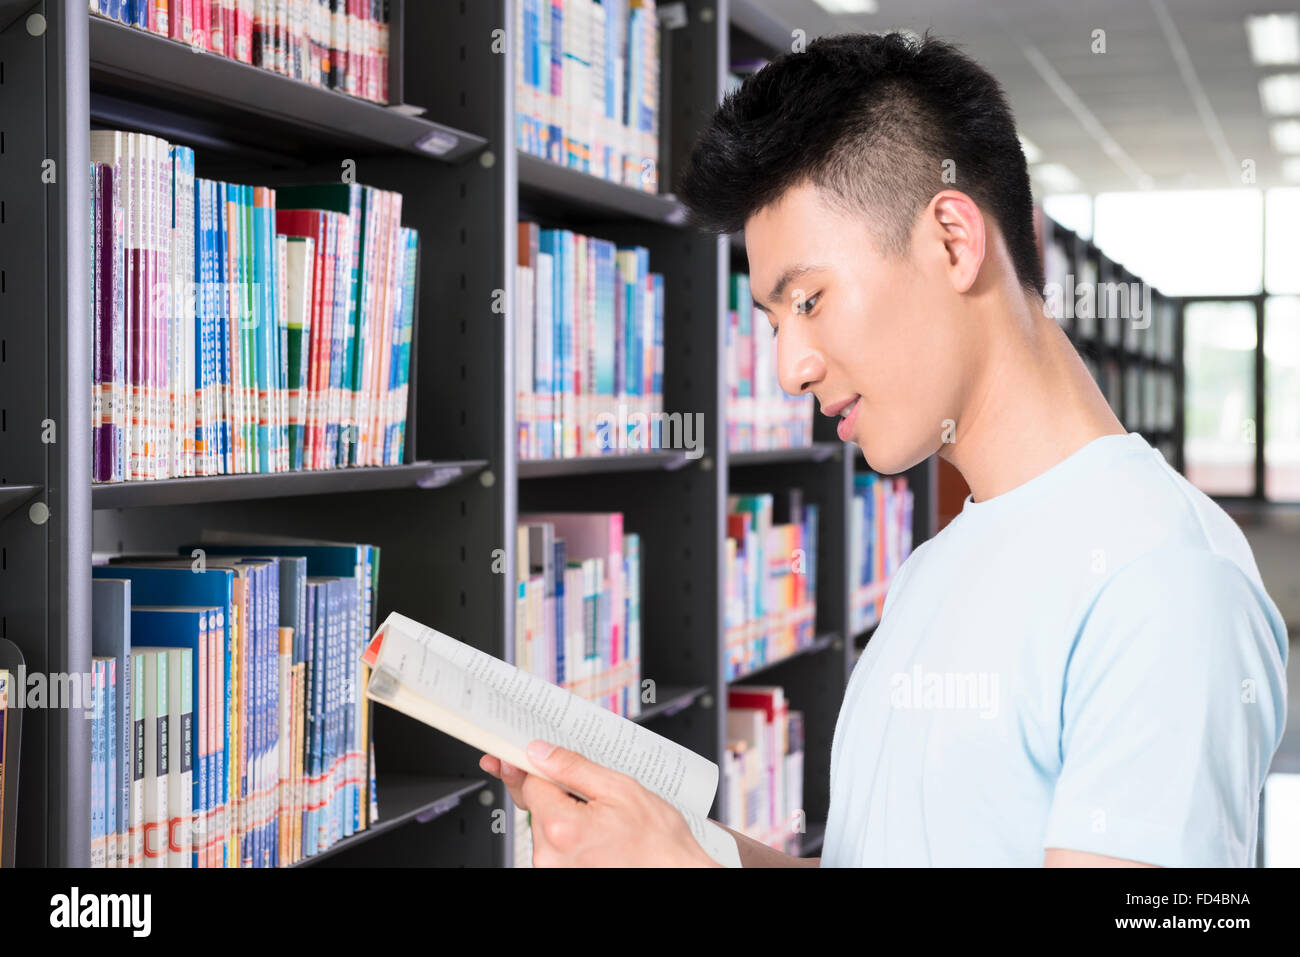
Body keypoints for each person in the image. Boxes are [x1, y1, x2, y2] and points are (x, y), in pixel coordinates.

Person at [480, 31, 1288, 867]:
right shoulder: (934, 565)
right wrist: (675, 842)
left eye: (811, 299)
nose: (790, 365)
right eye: (771, 318)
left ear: (952, 240)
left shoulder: (1163, 580)